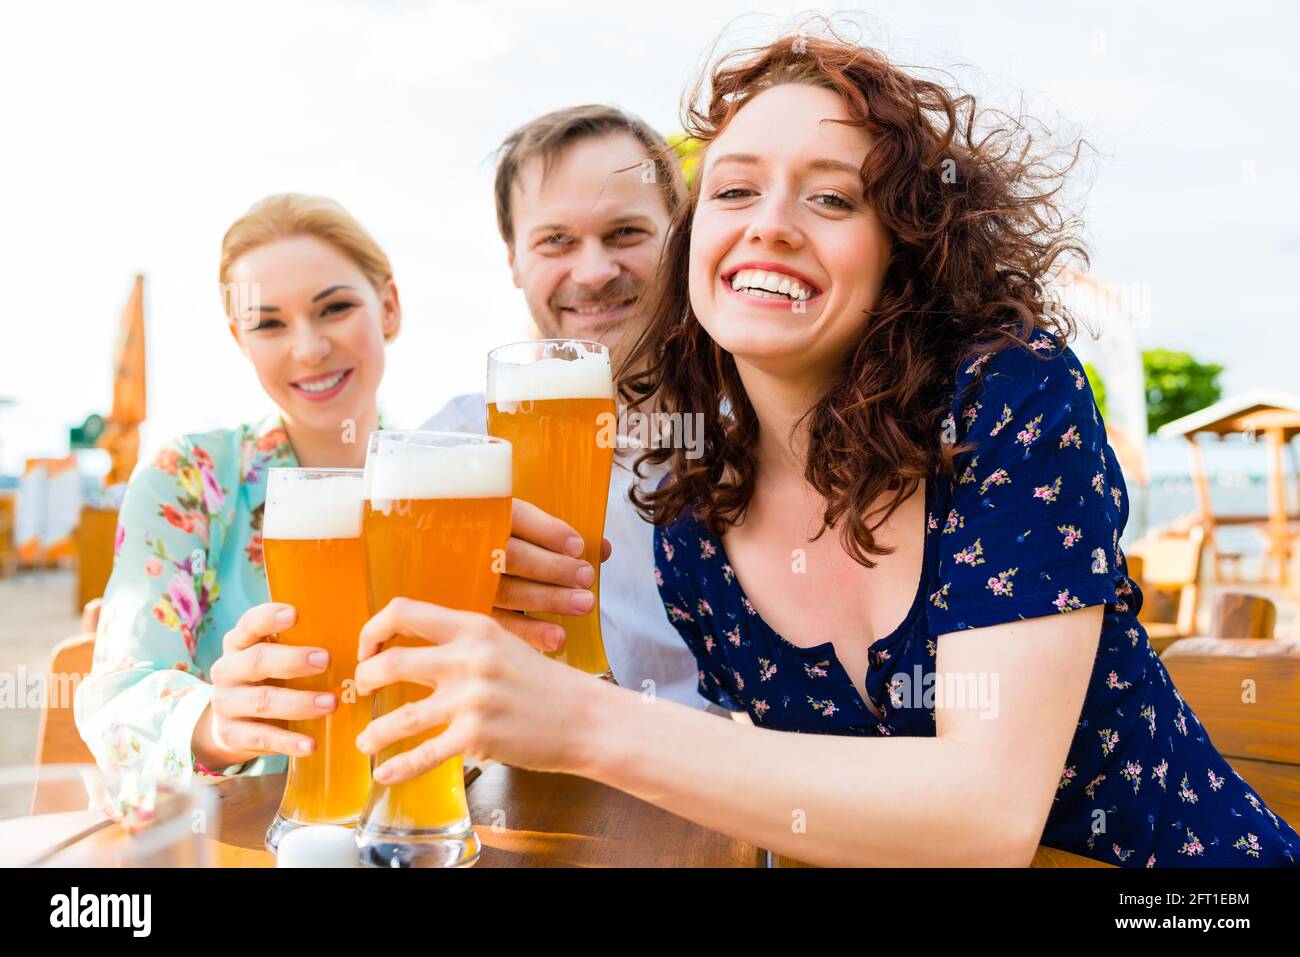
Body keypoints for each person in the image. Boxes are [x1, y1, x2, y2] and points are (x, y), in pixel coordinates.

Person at [348, 32, 1300, 867]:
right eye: (733, 189)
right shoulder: (690, 518)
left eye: (834, 199)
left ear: (907, 248)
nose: (768, 221)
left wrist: (585, 719)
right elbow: (785, 796)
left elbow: (988, 816)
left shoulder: (1004, 397)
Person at [74, 194, 400, 818]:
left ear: (389, 306)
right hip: (237, 838)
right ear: (239, 339)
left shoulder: (448, 487)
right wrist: (217, 726)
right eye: (269, 324)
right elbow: (119, 698)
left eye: (334, 307)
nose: (308, 348)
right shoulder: (189, 478)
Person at [423, 104, 708, 707]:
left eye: (625, 233)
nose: (596, 270)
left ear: (678, 241)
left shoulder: (752, 436)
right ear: (513, 262)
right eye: (557, 240)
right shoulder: (448, 450)